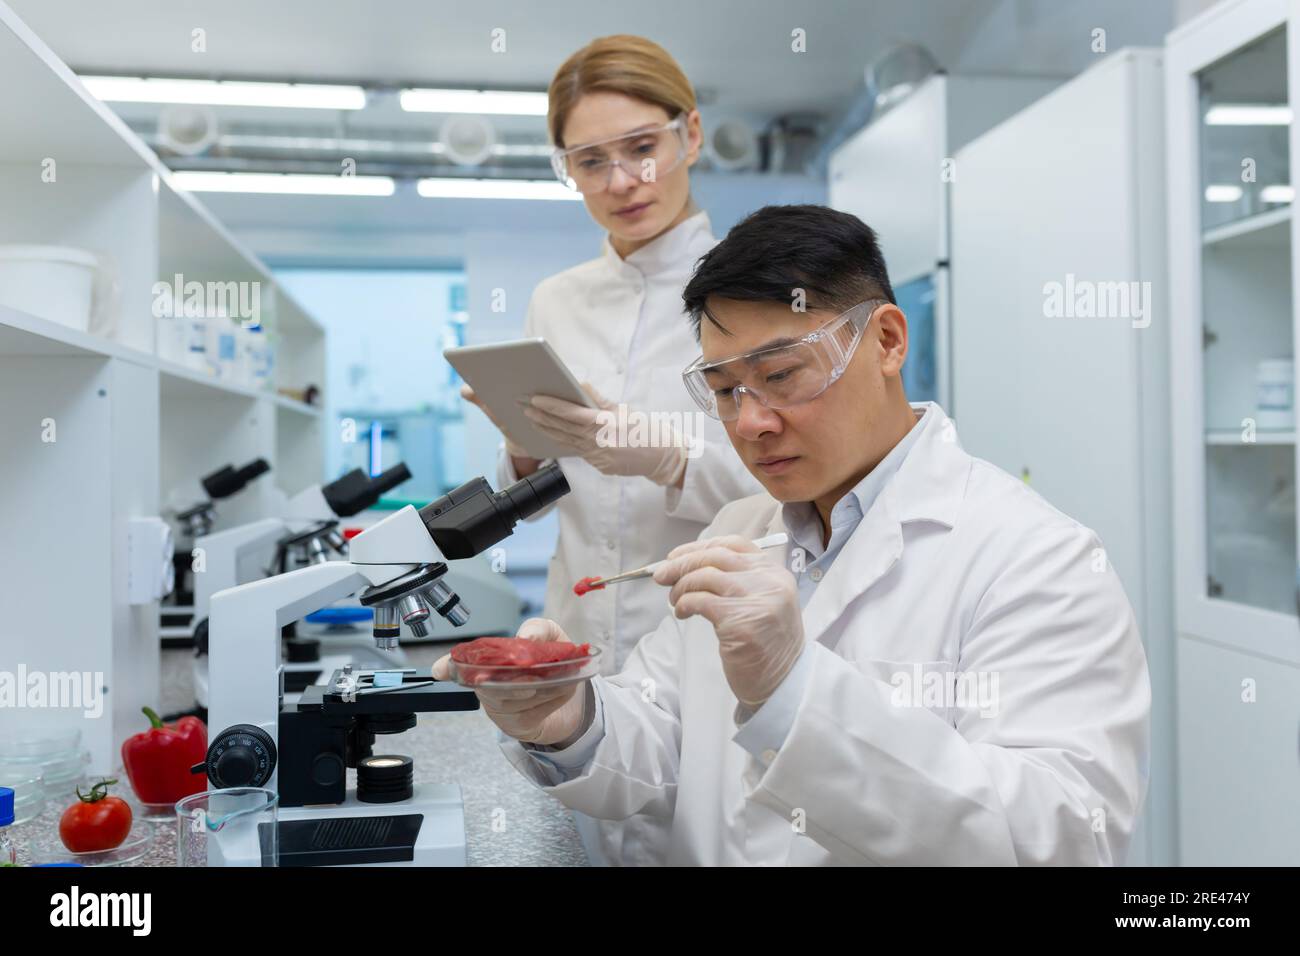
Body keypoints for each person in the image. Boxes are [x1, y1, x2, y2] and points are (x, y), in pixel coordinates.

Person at [437, 204, 1152, 866]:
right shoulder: (739, 527)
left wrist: (794, 688)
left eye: (781, 375)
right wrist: (566, 719)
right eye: (724, 390)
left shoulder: (1038, 559)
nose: (750, 423)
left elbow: (1060, 837)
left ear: (888, 341)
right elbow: (661, 745)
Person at [460, 35, 761, 865]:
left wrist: (661, 454)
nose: (623, 182)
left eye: (642, 149)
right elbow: (540, 483)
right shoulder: (557, 300)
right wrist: (520, 459)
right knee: (590, 839)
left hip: (710, 639)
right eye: (590, 161)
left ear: (690, 135)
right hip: (582, 638)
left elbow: (791, 479)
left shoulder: (754, 287)